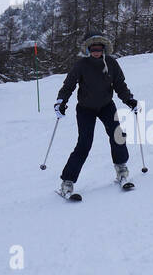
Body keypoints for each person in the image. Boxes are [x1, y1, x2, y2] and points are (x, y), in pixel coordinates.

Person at [54, 34, 138, 197]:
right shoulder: (81, 65)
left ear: (104, 49)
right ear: (88, 50)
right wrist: (61, 102)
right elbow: (69, 85)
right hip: (85, 108)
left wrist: (129, 100)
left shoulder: (112, 63)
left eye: (99, 49)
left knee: (117, 135)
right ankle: (67, 182)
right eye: (93, 49)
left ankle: (121, 170)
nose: (96, 52)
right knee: (84, 143)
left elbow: (120, 84)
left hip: (106, 105)